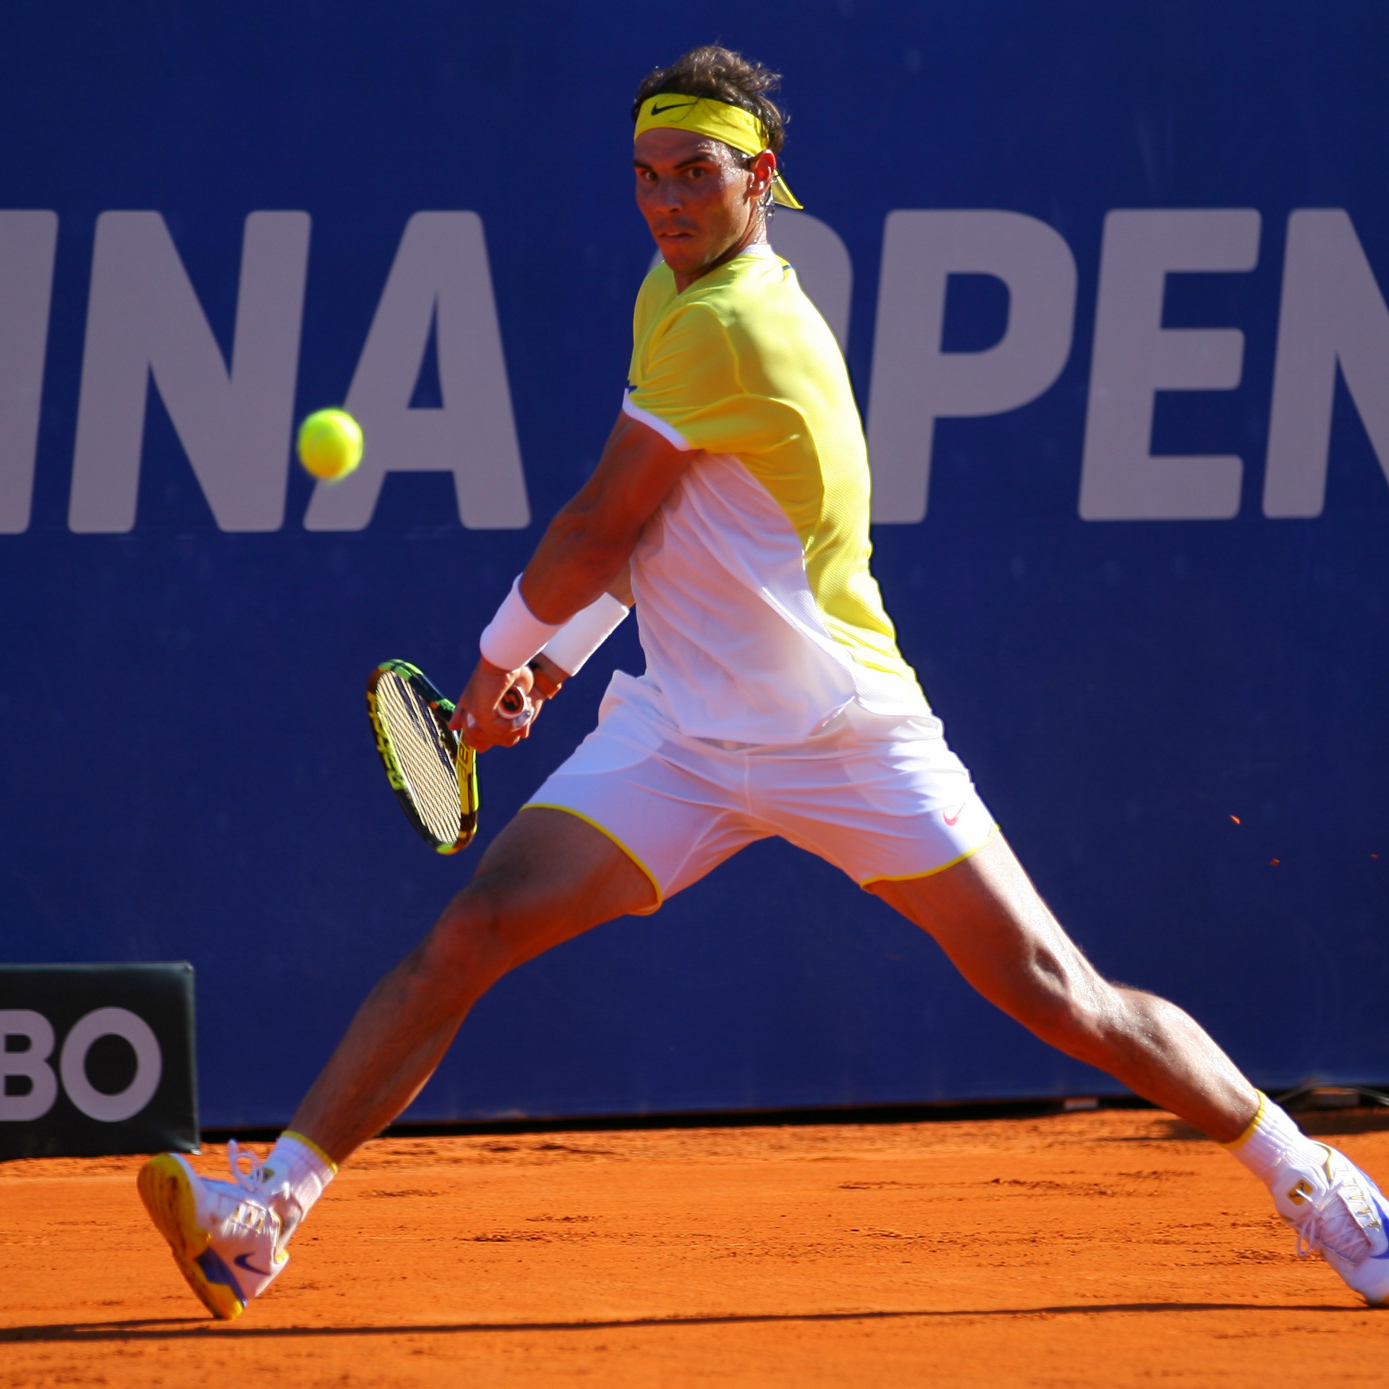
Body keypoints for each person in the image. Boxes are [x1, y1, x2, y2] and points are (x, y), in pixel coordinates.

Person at [138, 44, 1389, 1320]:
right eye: (645, 177)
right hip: (679, 736)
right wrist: (561, 668)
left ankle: (1319, 1186)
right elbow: (655, 530)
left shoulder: (733, 323)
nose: (667, 202)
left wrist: (496, 663)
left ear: (760, 177)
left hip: (843, 732)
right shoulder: (673, 293)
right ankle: (263, 1216)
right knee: (473, 933)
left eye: (696, 174)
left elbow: (587, 530)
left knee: (1059, 993)